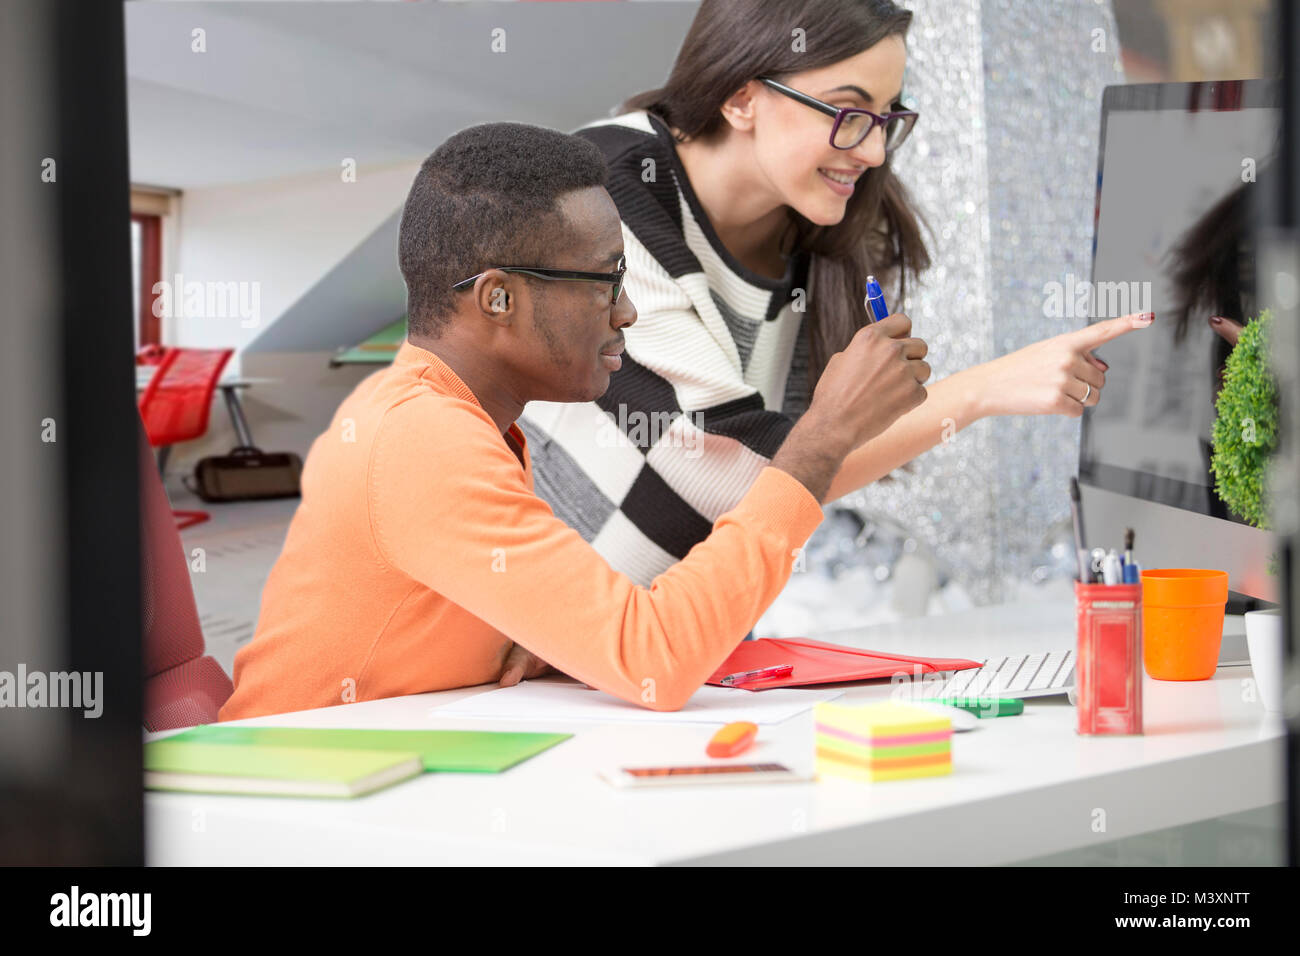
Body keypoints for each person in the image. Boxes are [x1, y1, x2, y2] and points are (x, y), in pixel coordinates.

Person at [218, 122, 931, 720]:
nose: (626, 313)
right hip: (283, 800)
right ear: (497, 300)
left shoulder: (467, 422)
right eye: (604, 281)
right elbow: (655, 658)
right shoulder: (420, 437)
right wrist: (824, 435)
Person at [520, 0, 1153, 598]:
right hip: (530, 640)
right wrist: (979, 392)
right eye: (848, 112)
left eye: (886, 118)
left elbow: (780, 473)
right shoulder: (607, 197)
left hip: (677, 646)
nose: (874, 150)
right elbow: (734, 478)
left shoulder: (815, 219)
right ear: (742, 96)